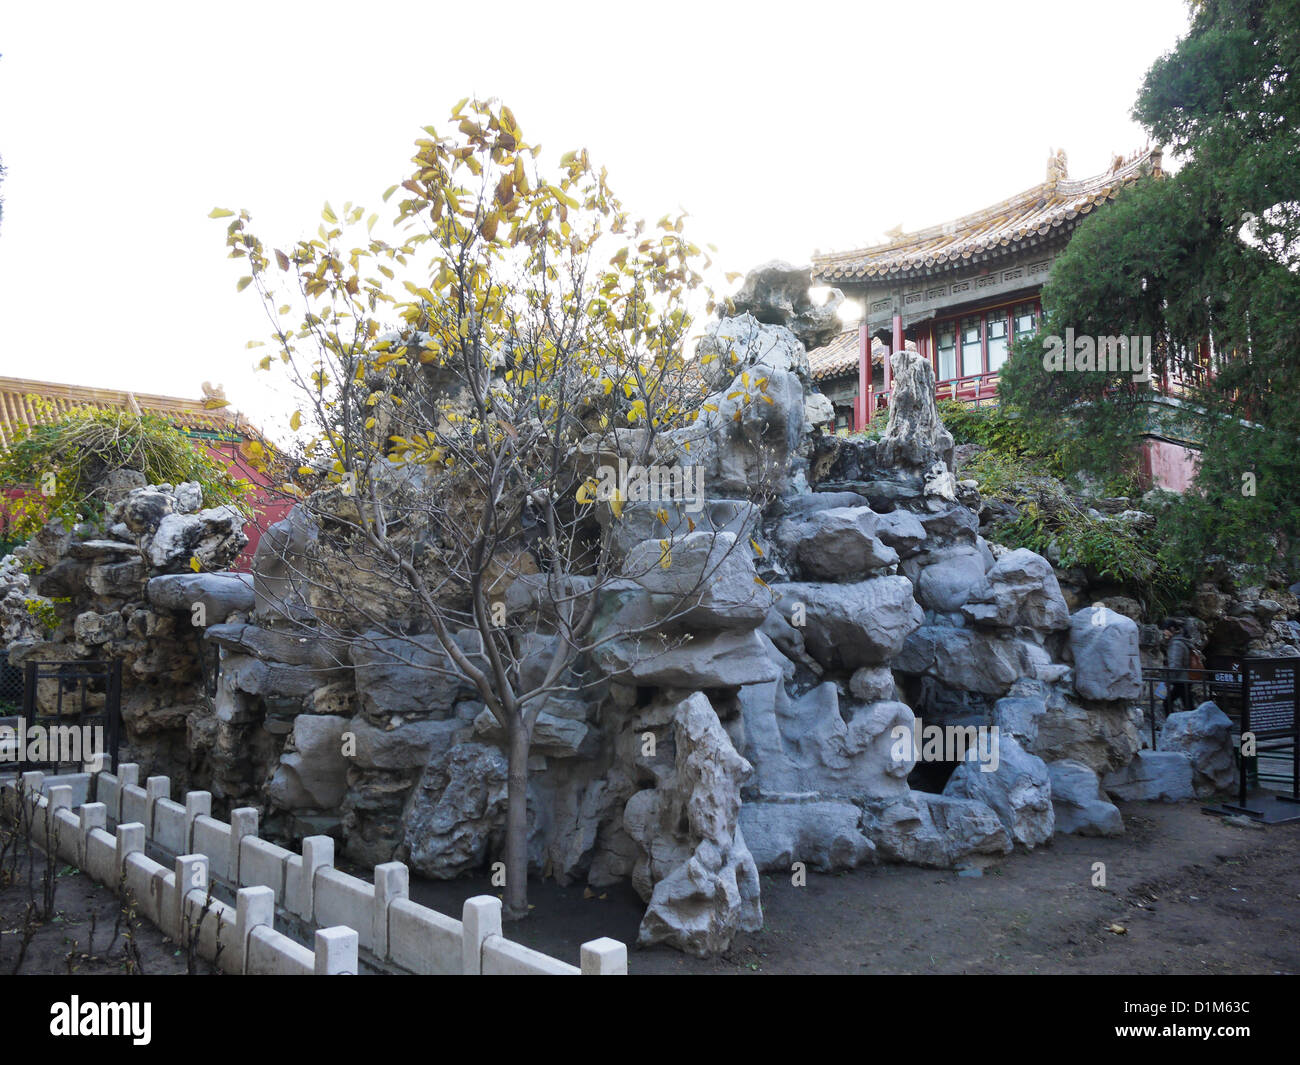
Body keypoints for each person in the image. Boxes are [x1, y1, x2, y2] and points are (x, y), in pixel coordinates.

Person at [1162, 617, 1192, 719]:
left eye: (1165, 629)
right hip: (1184, 679)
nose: (1163, 632)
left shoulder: (1176, 644)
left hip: (1181, 679)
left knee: (1167, 703)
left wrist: (1168, 679)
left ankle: (1173, 725)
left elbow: (1175, 665)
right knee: (1188, 706)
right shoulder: (1181, 640)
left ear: (1172, 629)